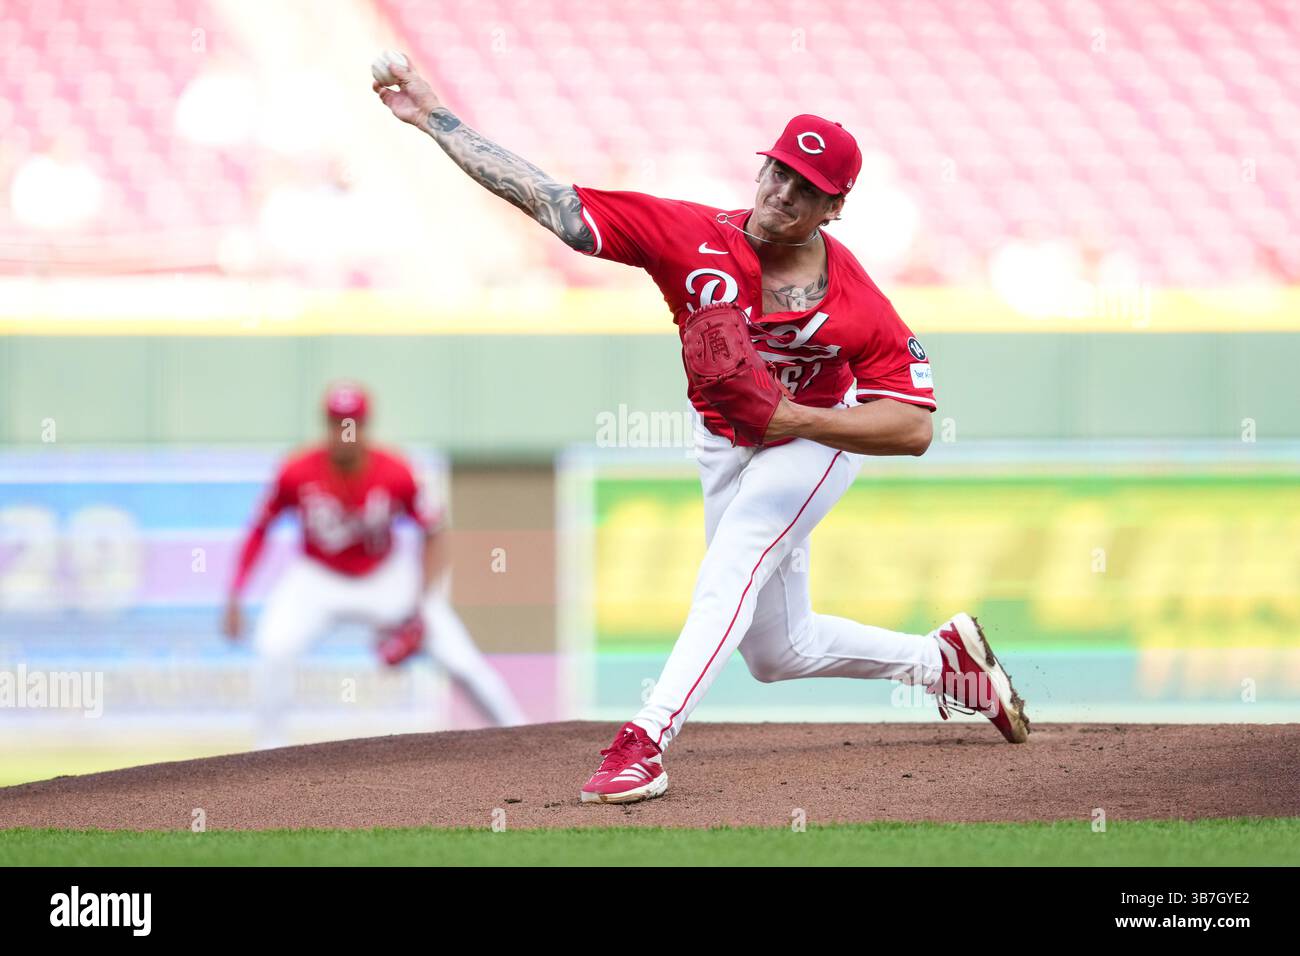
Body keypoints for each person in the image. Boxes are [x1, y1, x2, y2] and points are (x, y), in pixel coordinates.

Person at [374, 58, 1030, 804]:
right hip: (724, 442)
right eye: (777, 172)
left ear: (834, 208)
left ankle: (645, 741)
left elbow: (913, 427)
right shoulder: (688, 235)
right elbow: (552, 202)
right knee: (779, 651)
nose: (782, 193)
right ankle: (942, 664)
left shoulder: (854, 299)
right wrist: (434, 120)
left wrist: (800, 420)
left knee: (732, 564)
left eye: (806, 188)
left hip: (815, 439)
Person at [222, 382, 525, 747]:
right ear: (327, 425)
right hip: (317, 577)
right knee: (273, 648)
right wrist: (236, 593)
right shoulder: (297, 471)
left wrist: (421, 602)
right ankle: (266, 754)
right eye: (337, 422)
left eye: (352, 422)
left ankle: (521, 735)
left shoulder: (396, 470)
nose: (345, 432)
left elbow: (434, 533)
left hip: (386, 575)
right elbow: (259, 530)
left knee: (461, 660)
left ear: (366, 425)